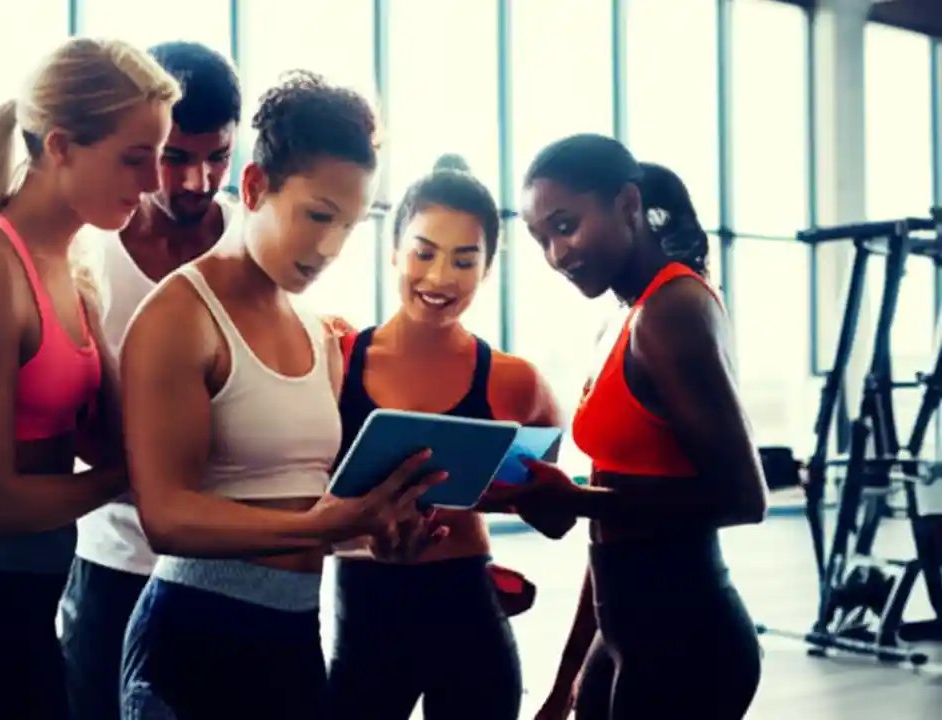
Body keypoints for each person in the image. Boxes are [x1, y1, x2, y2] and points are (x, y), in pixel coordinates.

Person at [117, 70, 445, 720]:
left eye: (348, 226)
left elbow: (300, 499)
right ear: (255, 187)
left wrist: (371, 535)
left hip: (292, 638)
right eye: (318, 216)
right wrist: (315, 527)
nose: (329, 247)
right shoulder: (178, 317)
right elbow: (166, 517)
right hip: (194, 638)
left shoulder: (317, 335)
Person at [0, 37, 180, 720]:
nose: (155, 181)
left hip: (25, 609)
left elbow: (111, 438)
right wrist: (125, 479)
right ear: (62, 146)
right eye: (136, 157)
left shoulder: (71, 267)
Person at [511, 133, 767, 720]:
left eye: (566, 225)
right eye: (541, 238)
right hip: (625, 628)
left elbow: (743, 496)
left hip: (688, 639)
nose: (556, 253)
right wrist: (567, 677)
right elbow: (607, 529)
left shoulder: (672, 309)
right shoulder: (623, 319)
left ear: (628, 205)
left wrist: (576, 501)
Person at [323, 155, 564, 720]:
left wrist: (520, 492)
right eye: (424, 252)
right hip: (364, 612)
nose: (438, 277)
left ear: (486, 269)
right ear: (393, 249)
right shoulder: (335, 360)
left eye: (463, 260)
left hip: (465, 612)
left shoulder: (516, 381)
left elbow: (555, 520)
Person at [58, 40, 242, 720]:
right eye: (176, 157)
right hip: (117, 559)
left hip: (231, 563)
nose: (198, 181)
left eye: (217, 157)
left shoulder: (255, 246)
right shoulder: (89, 253)